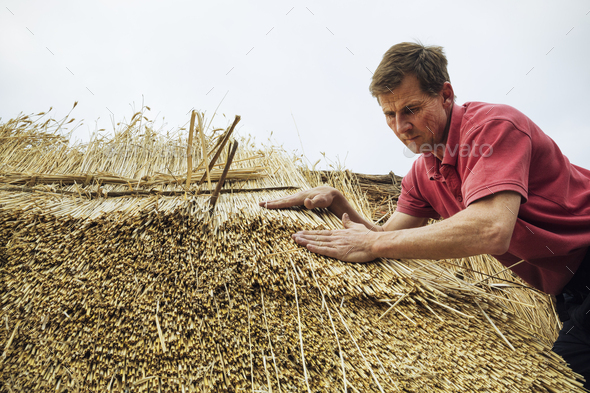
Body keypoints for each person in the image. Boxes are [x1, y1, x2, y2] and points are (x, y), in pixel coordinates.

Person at [259, 42, 590, 387]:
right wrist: (340, 204)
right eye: (390, 114)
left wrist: (372, 244)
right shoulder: (422, 174)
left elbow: (492, 227)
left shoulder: (493, 128)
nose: (401, 126)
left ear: (446, 95)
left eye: (411, 109)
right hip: (570, 294)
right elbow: (384, 237)